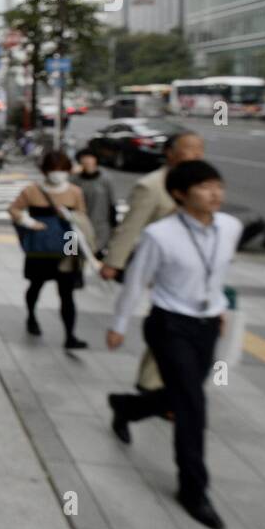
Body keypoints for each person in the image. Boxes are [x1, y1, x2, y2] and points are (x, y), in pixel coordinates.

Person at [106, 160, 240, 529]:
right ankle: (194, 489)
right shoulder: (160, 235)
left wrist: (219, 306)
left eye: (218, 185)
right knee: (193, 406)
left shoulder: (230, 227)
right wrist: (119, 325)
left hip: (207, 324)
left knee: (184, 395)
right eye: (204, 187)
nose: (215, 193)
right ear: (180, 194)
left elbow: (220, 270)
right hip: (168, 324)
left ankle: (127, 407)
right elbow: (137, 282)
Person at [101, 130, 205, 393]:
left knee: (182, 329)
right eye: (189, 148)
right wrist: (114, 262)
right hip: (162, 269)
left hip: (193, 272)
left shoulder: (204, 184)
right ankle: (151, 386)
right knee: (170, 325)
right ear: (169, 153)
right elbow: (131, 227)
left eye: (199, 149)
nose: (196, 155)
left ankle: (162, 384)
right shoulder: (152, 186)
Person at [8, 150, 95, 348]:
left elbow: (82, 217)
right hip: (41, 247)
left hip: (68, 246)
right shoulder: (32, 190)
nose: (58, 173)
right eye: (53, 169)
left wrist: (72, 218)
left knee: (67, 293)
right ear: (45, 170)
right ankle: (31, 317)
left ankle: (70, 335)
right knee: (36, 285)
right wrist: (29, 222)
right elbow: (14, 209)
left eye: (62, 169)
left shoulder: (75, 192)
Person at [74, 148, 117, 258]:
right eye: (84, 158)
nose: (87, 161)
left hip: (100, 226)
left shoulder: (106, 179)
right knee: (74, 256)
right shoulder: (74, 180)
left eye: (90, 157)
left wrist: (113, 225)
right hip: (78, 225)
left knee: (97, 255)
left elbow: (112, 202)